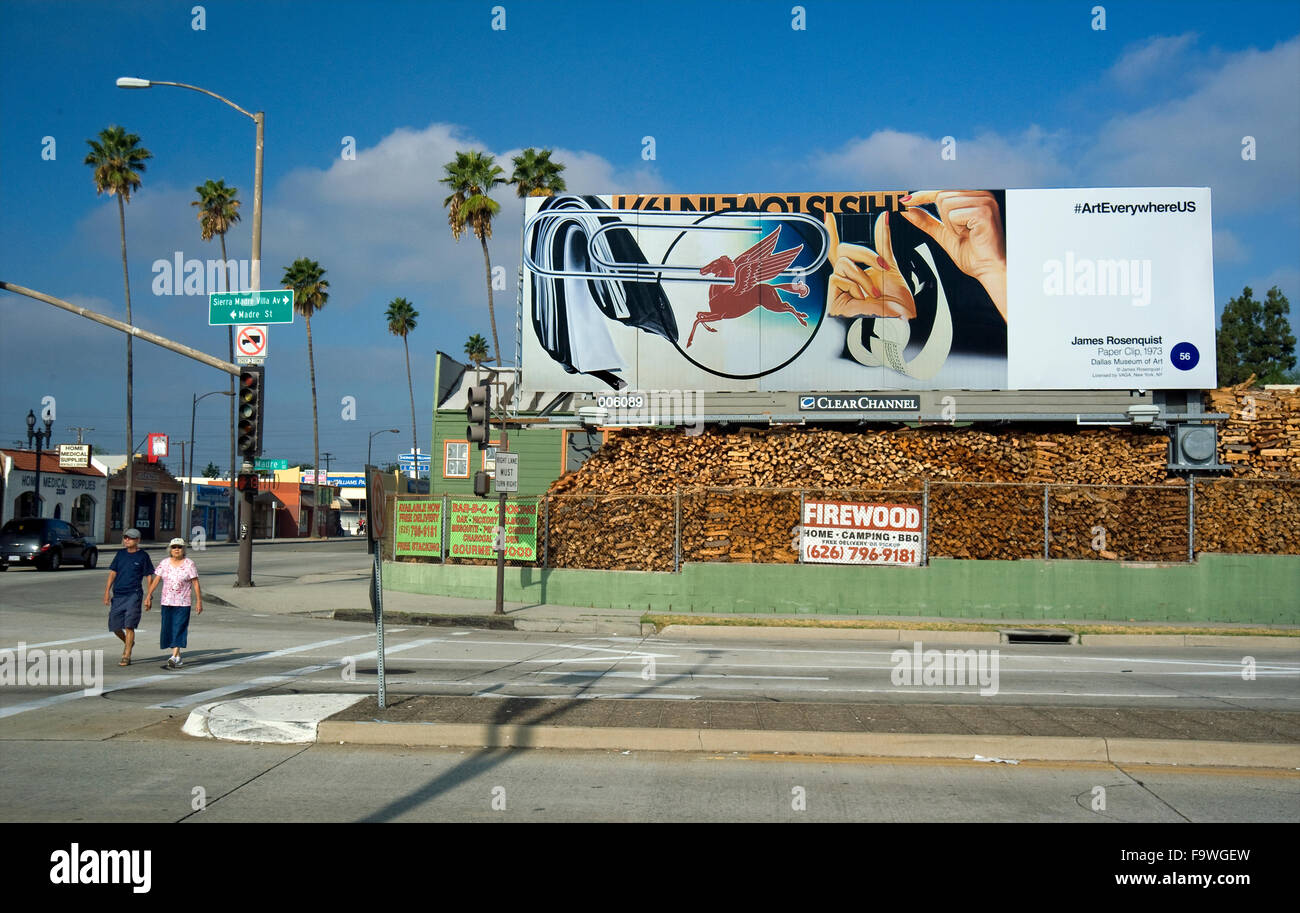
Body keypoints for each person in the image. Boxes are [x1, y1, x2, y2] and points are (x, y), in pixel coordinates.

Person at [145, 537, 202, 669]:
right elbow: (156, 579)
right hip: (167, 601)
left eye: (179, 547)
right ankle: (177, 656)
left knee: (179, 627)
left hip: (183, 602)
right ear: (170, 549)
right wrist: (149, 595)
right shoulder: (164, 563)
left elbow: (195, 583)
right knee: (168, 628)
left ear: (184, 549)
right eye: (174, 547)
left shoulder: (189, 564)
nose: (177, 549)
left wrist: (199, 601)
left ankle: (174, 656)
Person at [102, 528, 154, 666]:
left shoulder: (143, 556)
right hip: (118, 594)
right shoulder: (120, 554)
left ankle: (126, 655)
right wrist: (107, 591)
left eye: (130, 538)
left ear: (137, 540)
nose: (126, 540)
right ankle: (129, 643)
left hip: (134, 594)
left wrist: (149, 595)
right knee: (114, 626)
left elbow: (149, 576)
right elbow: (113, 573)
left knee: (129, 625)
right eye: (125, 537)